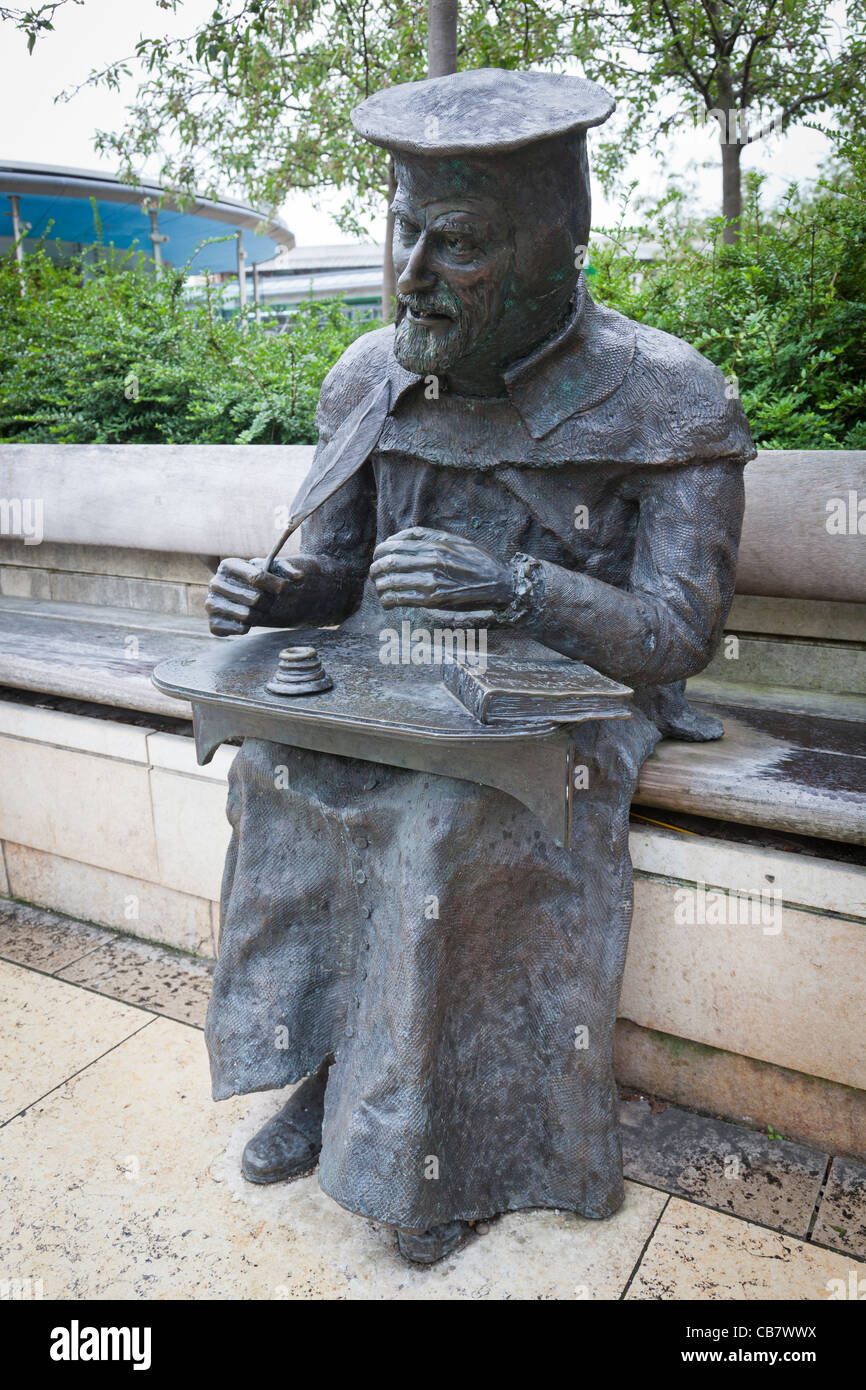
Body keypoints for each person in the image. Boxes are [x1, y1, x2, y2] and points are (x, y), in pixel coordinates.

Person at [204, 69, 754, 1265]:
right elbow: (337, 571)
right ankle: (338, 1074)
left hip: (575, 700)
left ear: (559, 245)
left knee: (448, 817)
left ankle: (456, 1138)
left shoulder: (665, 394)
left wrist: (514, 589)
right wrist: (277, 591)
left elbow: (674, 634)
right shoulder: (374, 374)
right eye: (405, 231)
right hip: (401, 680)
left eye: (453, 245)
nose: (409, 275)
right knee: (274, 769)